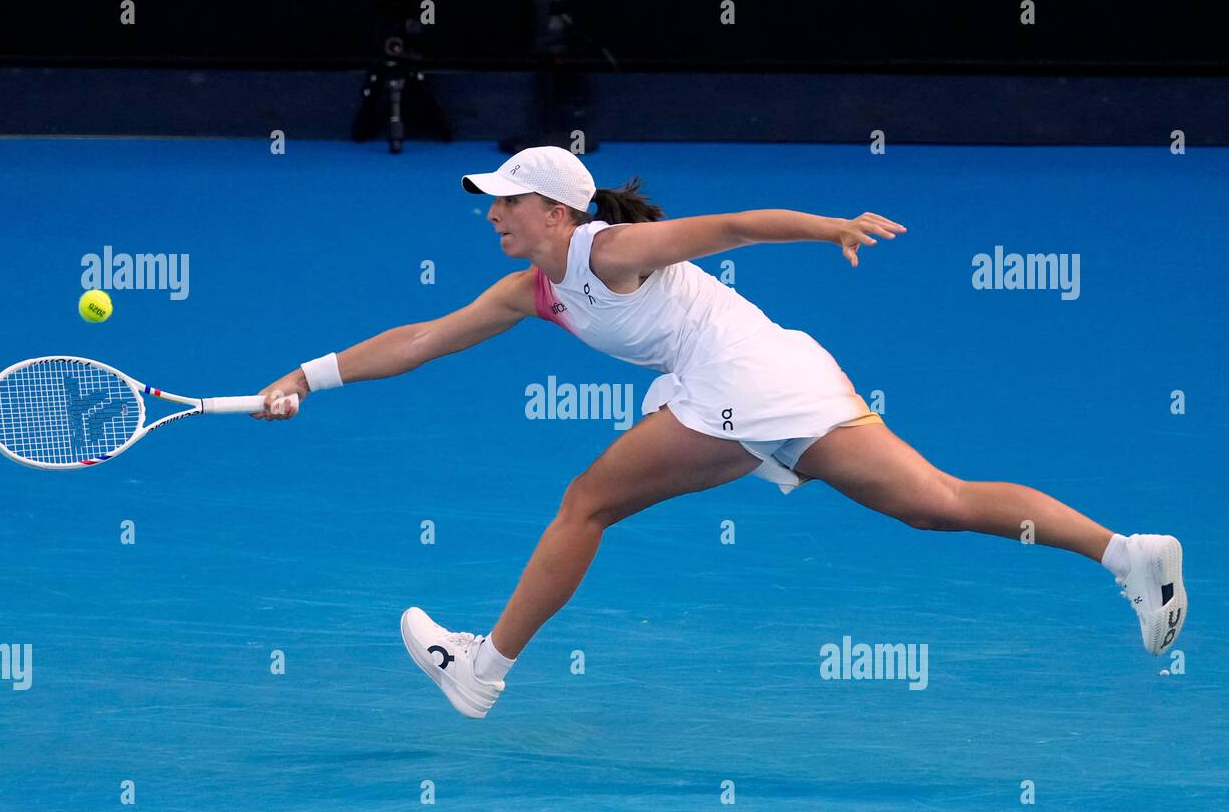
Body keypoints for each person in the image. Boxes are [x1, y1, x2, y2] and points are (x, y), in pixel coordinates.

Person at [255, 146, 1187, 719]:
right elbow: (422, 339)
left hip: (739, 385)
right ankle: (1128, 554)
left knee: (586, 503)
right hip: (784, 374)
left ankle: (483, 669)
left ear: (556, 211)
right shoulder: (530, 290)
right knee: (934, 503)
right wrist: (304, 377)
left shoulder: (610, 251)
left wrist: (830, 227)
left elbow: (734, 226)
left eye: (507, 199)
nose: (491, 211)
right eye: (491, 199)